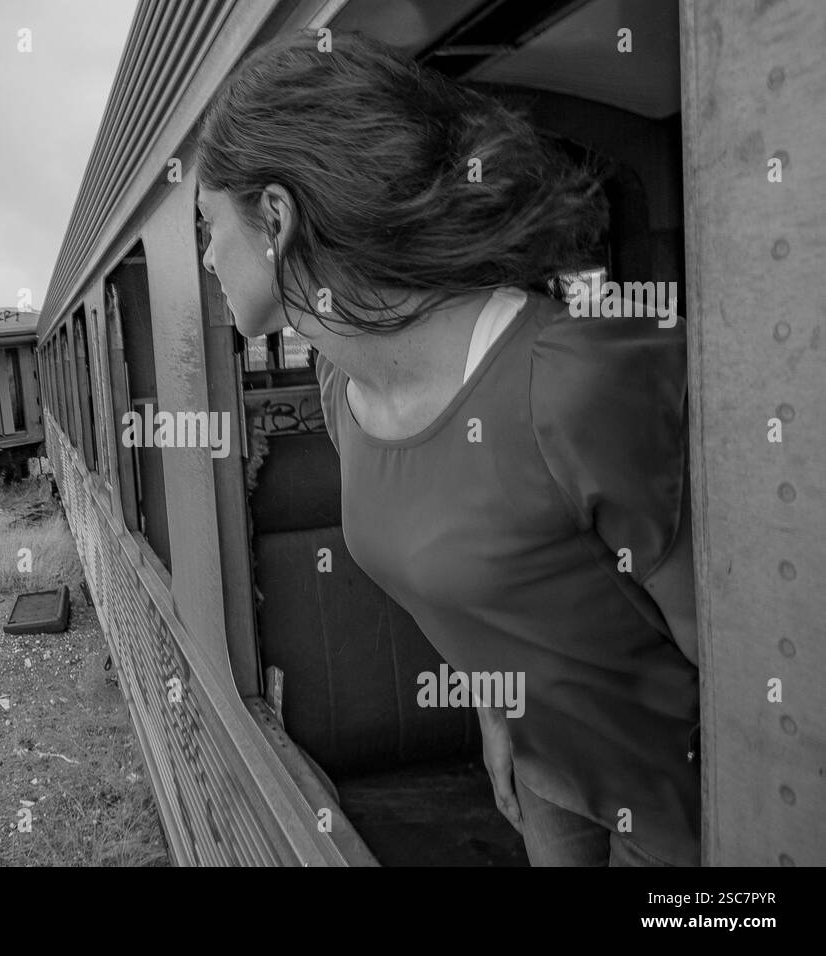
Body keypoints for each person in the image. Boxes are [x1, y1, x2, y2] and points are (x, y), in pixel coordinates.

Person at [194, 32, 700, 866]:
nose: (208, 256)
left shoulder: (575, 383)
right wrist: (496, 711)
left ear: (276, 219)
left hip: (686, 811)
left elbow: (734, 654)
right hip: (549, 778)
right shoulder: (341, 391)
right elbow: (491, 593)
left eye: (210, 225)